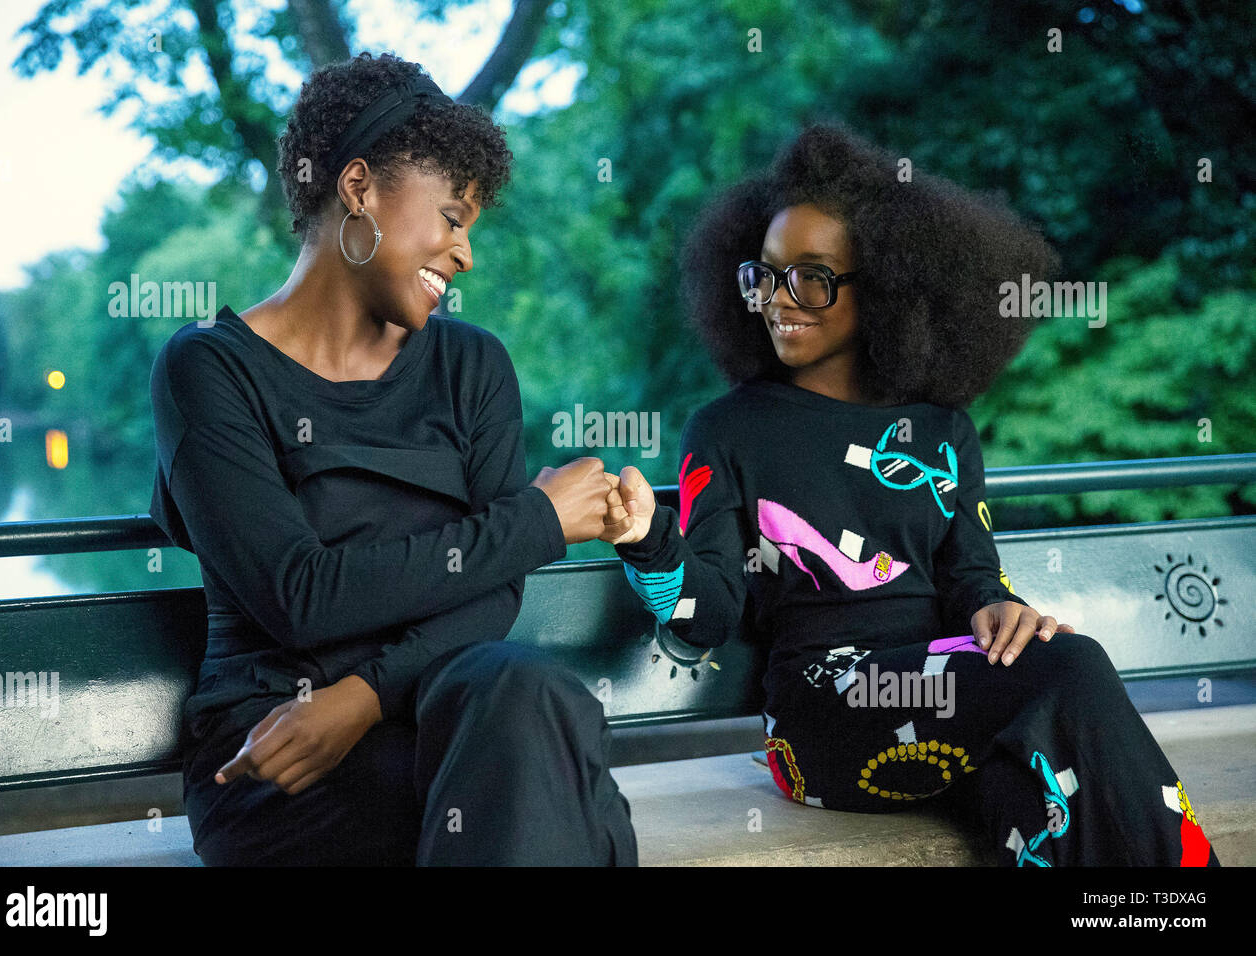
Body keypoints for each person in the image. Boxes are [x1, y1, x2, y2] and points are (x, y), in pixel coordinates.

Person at [601, 124, 1219, 866]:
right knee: (1072, 665)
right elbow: (711, 615)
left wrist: (999, 610)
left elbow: (970, 577)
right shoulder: (729, 430)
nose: (778, 300)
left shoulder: (941, 430)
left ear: (890, 288)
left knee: (1043, 811)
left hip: (954, 701)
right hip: (824, 715)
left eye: (812, 276)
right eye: (764, 275)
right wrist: (647, 537)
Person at [148, 52, 637, 866]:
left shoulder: (472, 366)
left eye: (471, 227)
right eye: (450, 217)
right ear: (360, 189)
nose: (465, 252)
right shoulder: (209, 369)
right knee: (546, 783)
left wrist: (366, 696)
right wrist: (537, 520)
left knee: (525, 695)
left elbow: (493, 595)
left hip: (446, 727)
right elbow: (299, 595)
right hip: (281, 750)